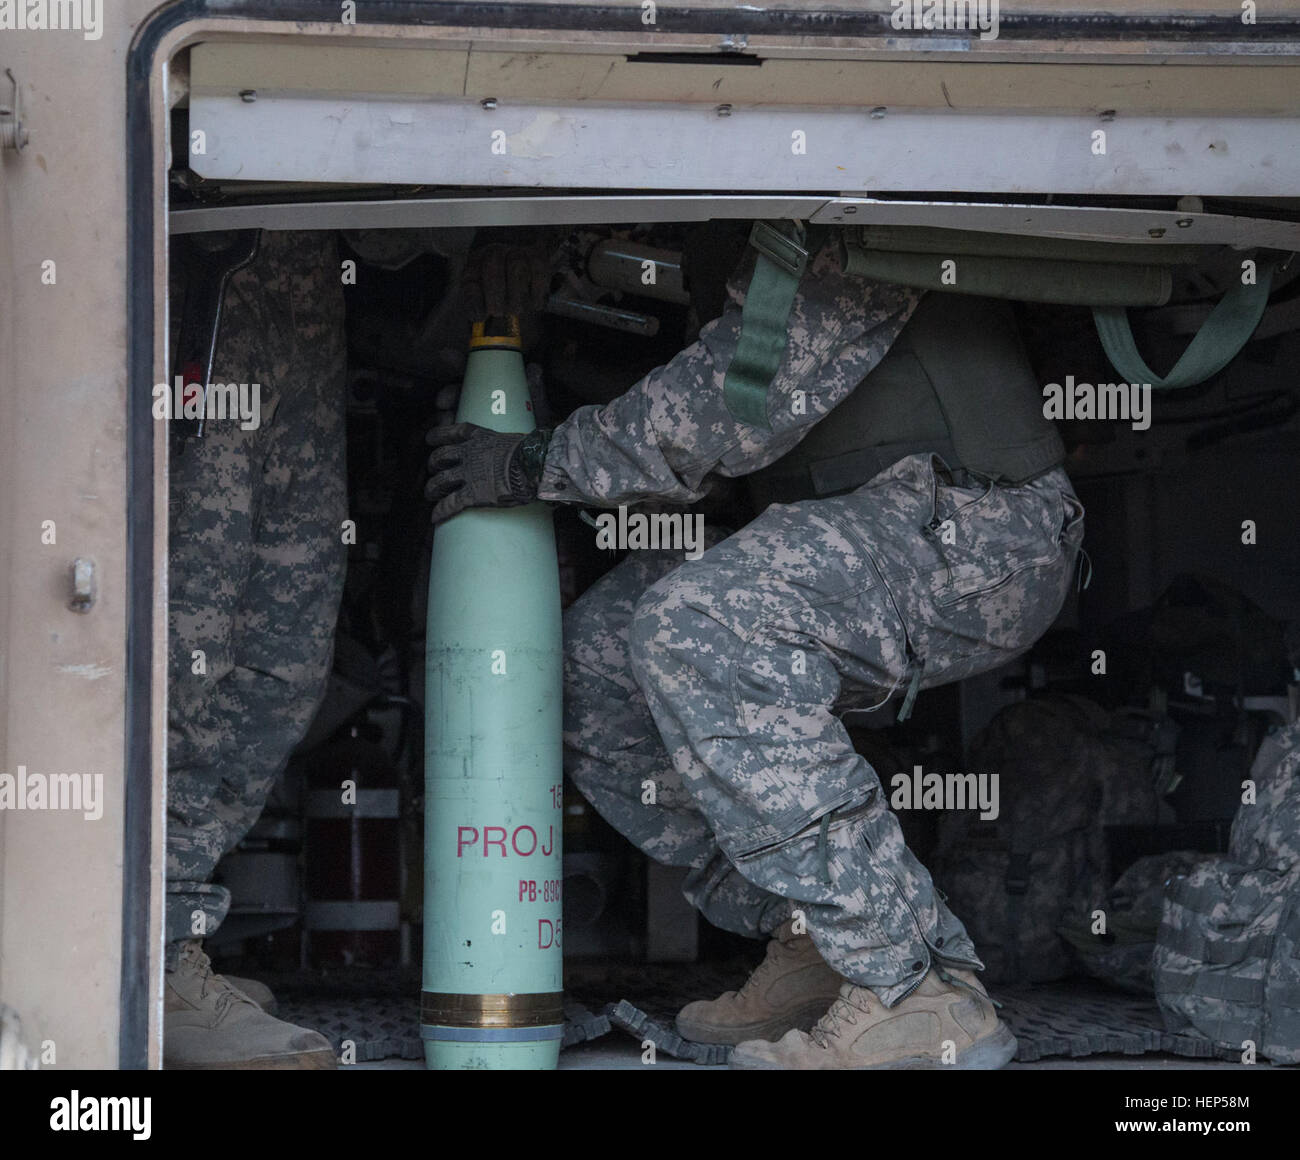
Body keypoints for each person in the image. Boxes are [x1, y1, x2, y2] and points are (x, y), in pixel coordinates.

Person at [426, 224, 1085, 1069]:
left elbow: (746, 392)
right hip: (856, 520)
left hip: (982, 526)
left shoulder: (843, 185)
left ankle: (912, 983)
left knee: (704, 626)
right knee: (592, 664)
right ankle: (810, 936)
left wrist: (543, 462)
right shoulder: (726, 211)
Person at [165, 230, 347, 1069]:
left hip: (305, 295)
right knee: (185, 639)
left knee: (283, 656)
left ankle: (181, 935)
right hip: (205, 274)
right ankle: (154, 954)